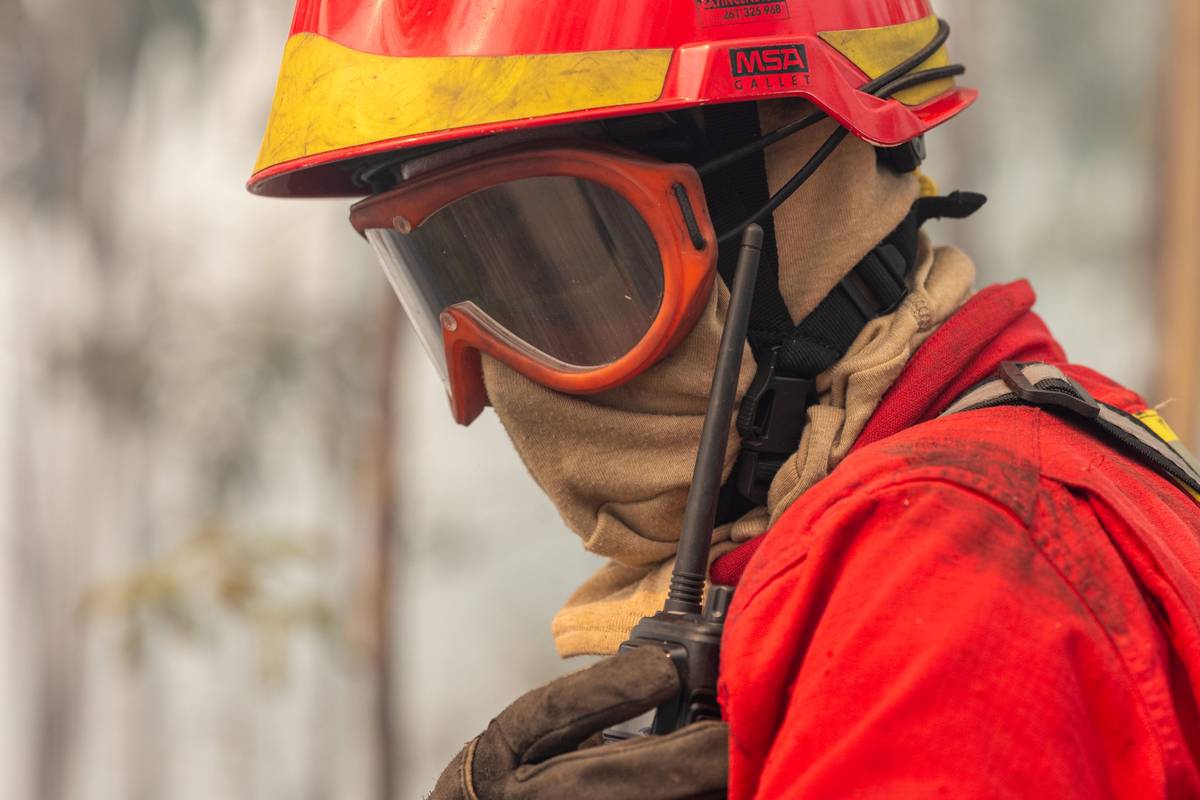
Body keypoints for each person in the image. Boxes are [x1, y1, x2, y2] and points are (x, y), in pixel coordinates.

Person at [250, 1, 1200, 797]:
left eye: (569, 266)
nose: (497, 381)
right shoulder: (1022, 460)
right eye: (451, 284)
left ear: (804, 209)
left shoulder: (951, 579)